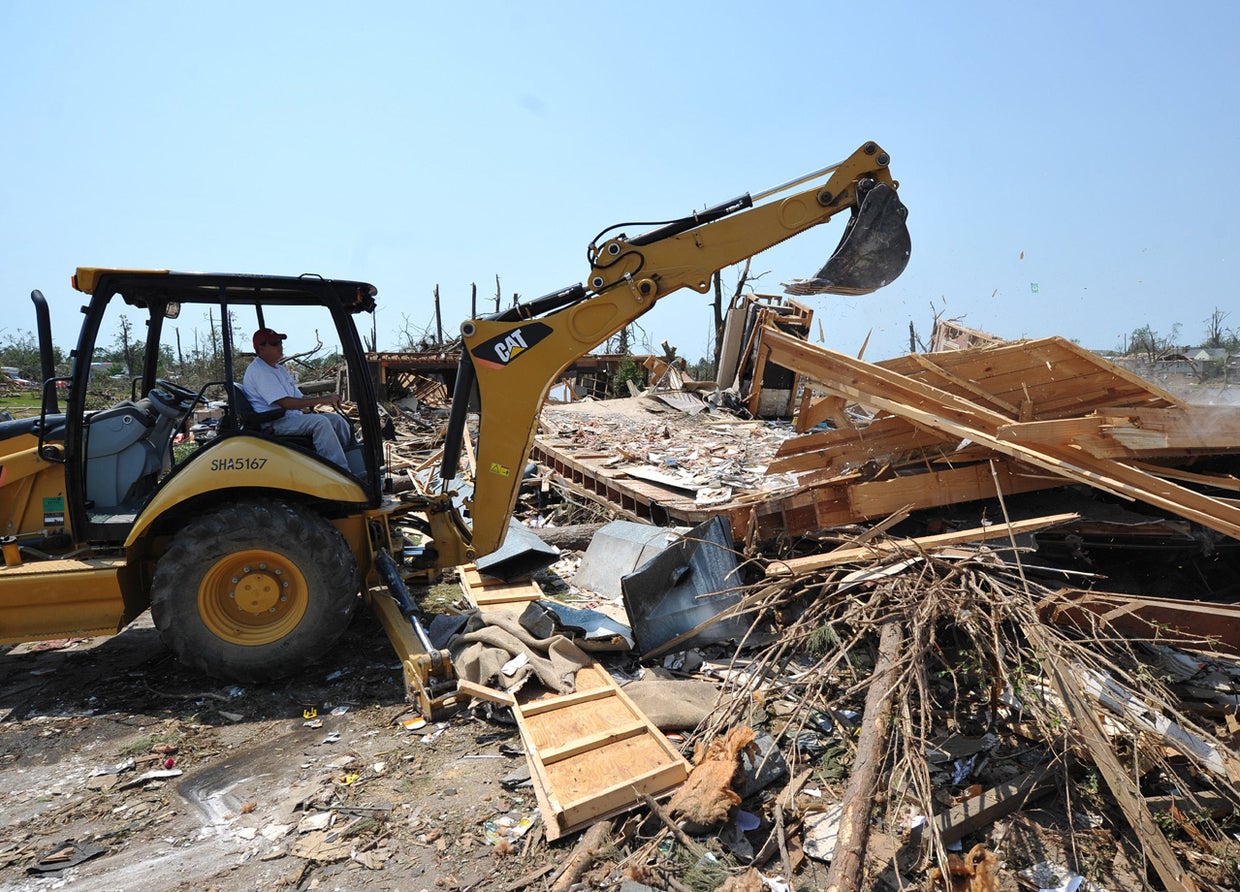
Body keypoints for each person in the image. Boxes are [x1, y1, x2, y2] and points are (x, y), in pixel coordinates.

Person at [242, 327, 357, 473]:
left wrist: (322, 401)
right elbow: (287, 403)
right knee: (320, 423)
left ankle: (354, 463)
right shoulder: (259, 371)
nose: (280, 346)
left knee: (337, 421)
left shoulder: (279, 369)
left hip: (290, 417)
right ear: (261, 348)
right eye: (274, 343)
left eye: (280, 342)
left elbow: (299, 398)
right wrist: (325, 399)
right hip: (275, 422)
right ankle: (341, 473)